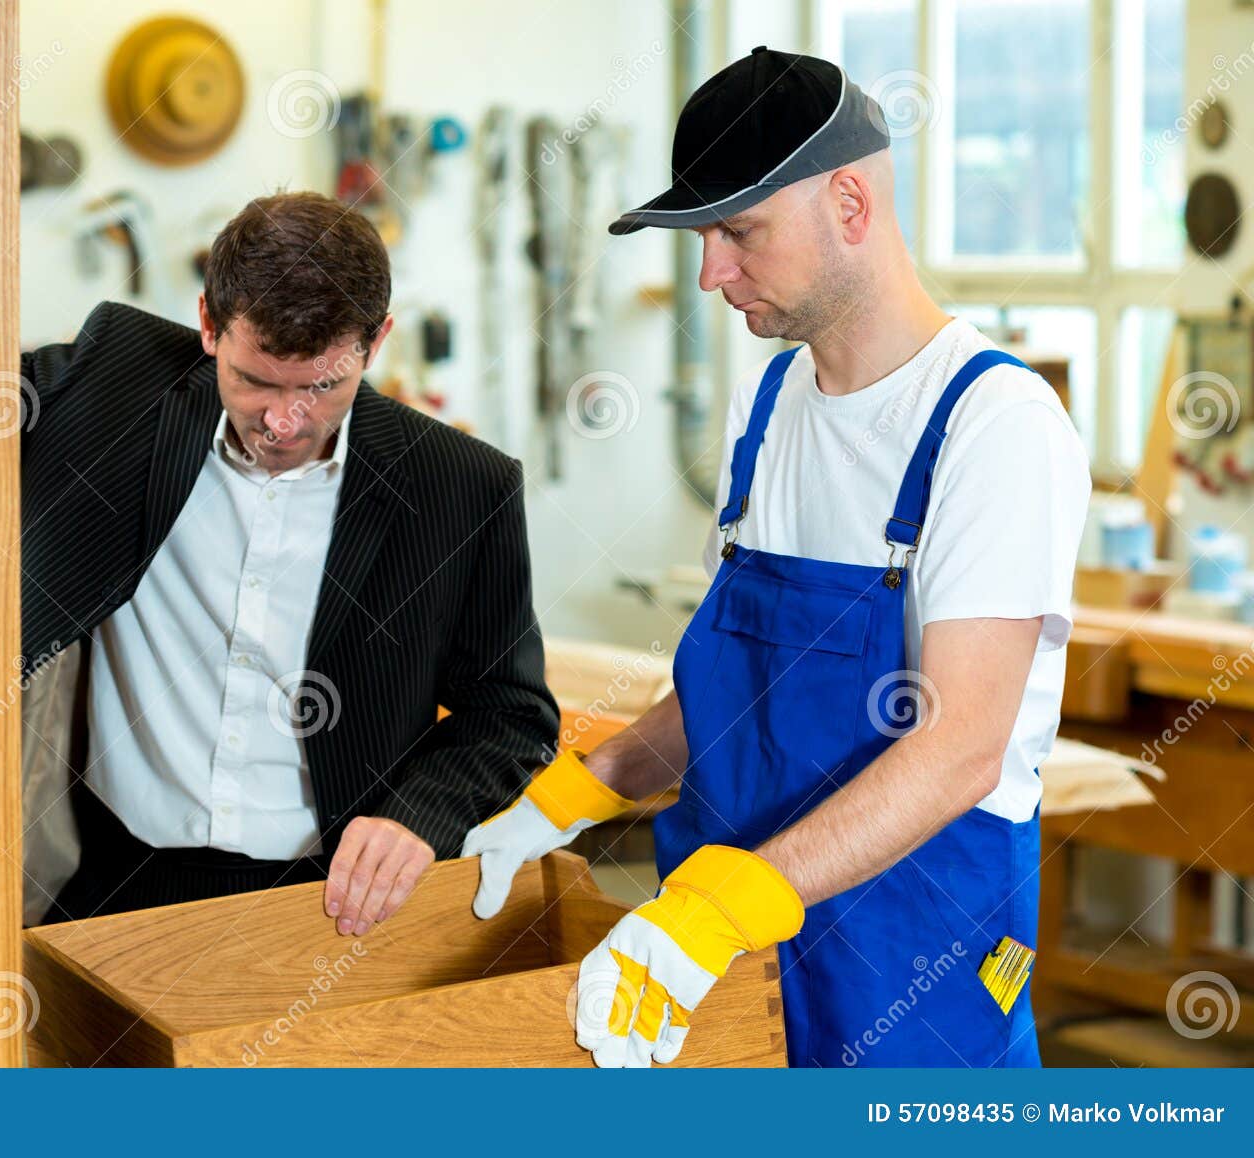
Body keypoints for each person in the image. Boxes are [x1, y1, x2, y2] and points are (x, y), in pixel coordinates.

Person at [463, 47, 1089, 1068]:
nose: (710, 272)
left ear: (849, 203)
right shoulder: (765, 412)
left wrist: (716, 909)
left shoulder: (992, 424)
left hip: (912, 956)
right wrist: (575, 794)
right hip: (737, 947)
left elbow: (961, 746)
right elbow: (735, 704)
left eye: (736, 231)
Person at [20, 192, 558, 931]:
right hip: (109, 879)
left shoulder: (463, 487)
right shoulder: (116, 378)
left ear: (377, 343)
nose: (283, 422)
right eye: (256, 380)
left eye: (320, 387)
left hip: (331, 900)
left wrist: (416, 819)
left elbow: (510, 714)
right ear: (209, 324)